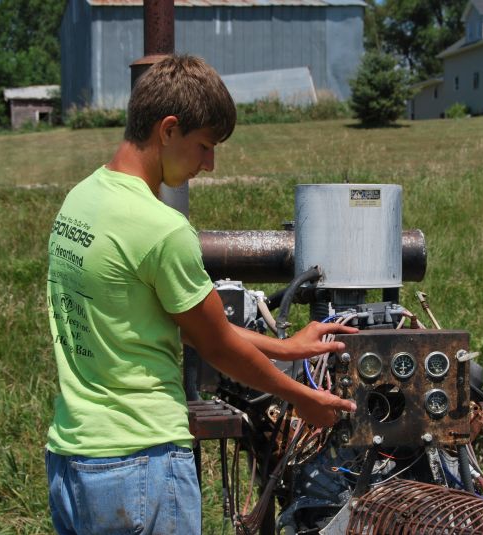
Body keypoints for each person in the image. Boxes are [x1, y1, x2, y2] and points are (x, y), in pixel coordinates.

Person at [44, 54, 357, 535]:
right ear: (168, 129)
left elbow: (193, 324)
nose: (209, 164)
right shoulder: (161, 228)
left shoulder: (80, 201)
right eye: (205, 146)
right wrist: (301, 398)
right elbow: (214, 346)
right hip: (139, 464)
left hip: (74, 461)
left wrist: (287, 348)